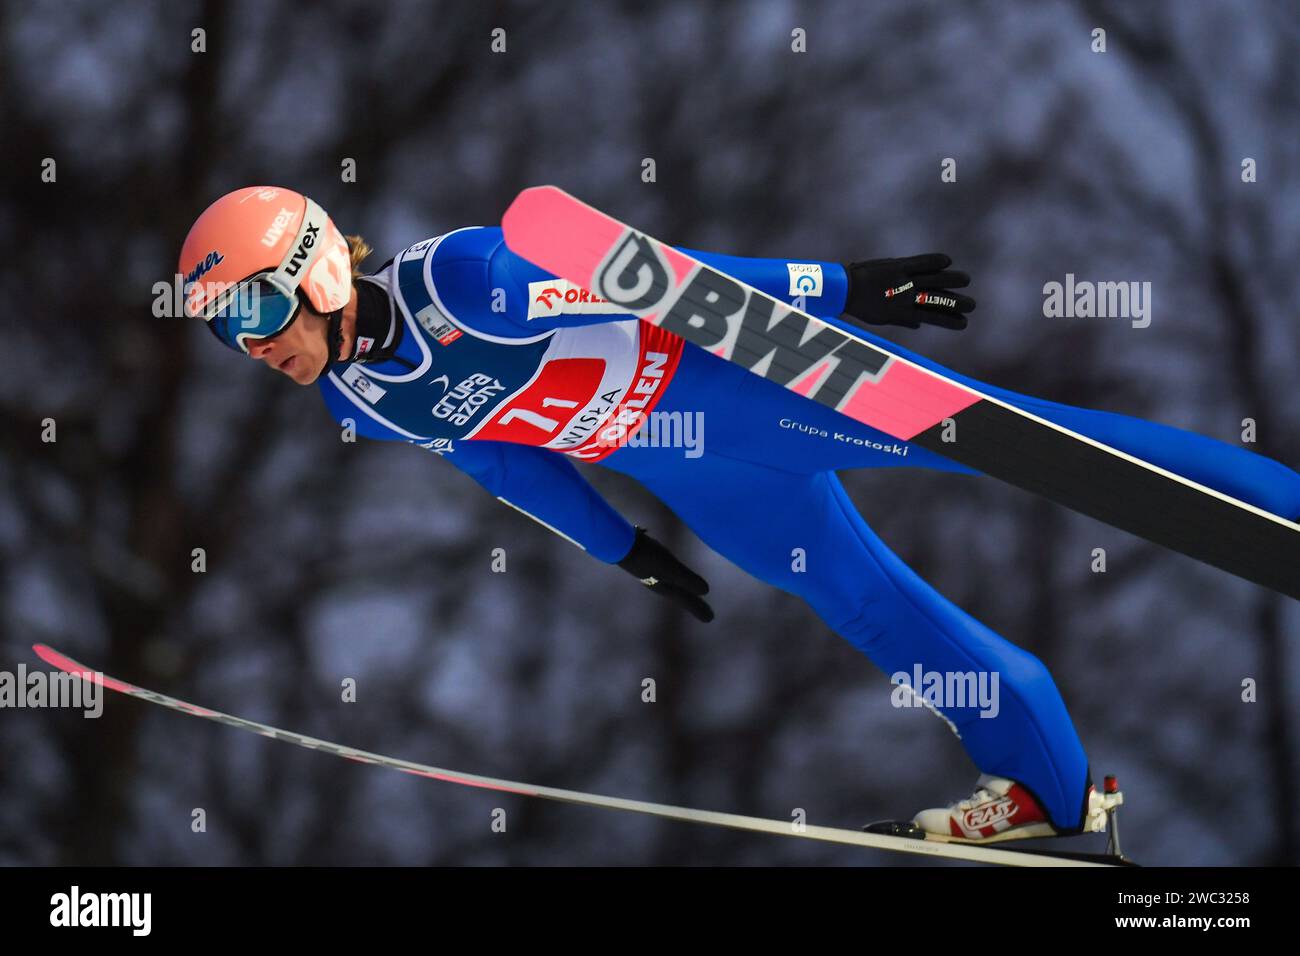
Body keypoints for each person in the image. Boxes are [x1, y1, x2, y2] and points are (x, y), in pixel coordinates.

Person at [178, 185, 1300, 844]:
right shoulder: (360, 394)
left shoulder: (471, 279)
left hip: (745, 394)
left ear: (320, 267)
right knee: (864, 604)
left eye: (261, 306)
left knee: (1039, 443)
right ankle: (1050, 792)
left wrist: (843, 288)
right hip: (696, 475)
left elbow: (664, 278)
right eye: (231, 330)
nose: (257, 343)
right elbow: (497, 458)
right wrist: (623, 549)